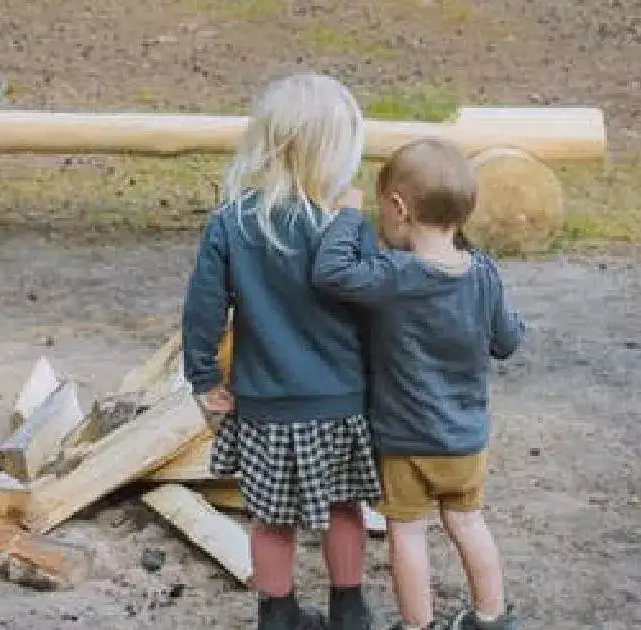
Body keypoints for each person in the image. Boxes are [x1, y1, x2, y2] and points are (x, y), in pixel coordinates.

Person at [181, 72, 382, 630]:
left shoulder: (231, 222)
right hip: (341, 403)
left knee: (270, 518)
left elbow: (202, 311)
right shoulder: (345, 227)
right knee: (344, 508)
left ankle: (277, 613)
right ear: (335, 150)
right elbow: (374, 312)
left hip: (266, 405)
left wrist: (202, 377)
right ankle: (349, 608)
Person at [311, 137, 527, 630]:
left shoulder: (396, 274)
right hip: (467, 439)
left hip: (405, 441)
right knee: (468, 523)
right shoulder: (484, 273)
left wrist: (347, 216)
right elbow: (507, 341)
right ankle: (492, 617)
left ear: (398, 208)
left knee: (407, 533)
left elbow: (331, 273)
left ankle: (417, 625)